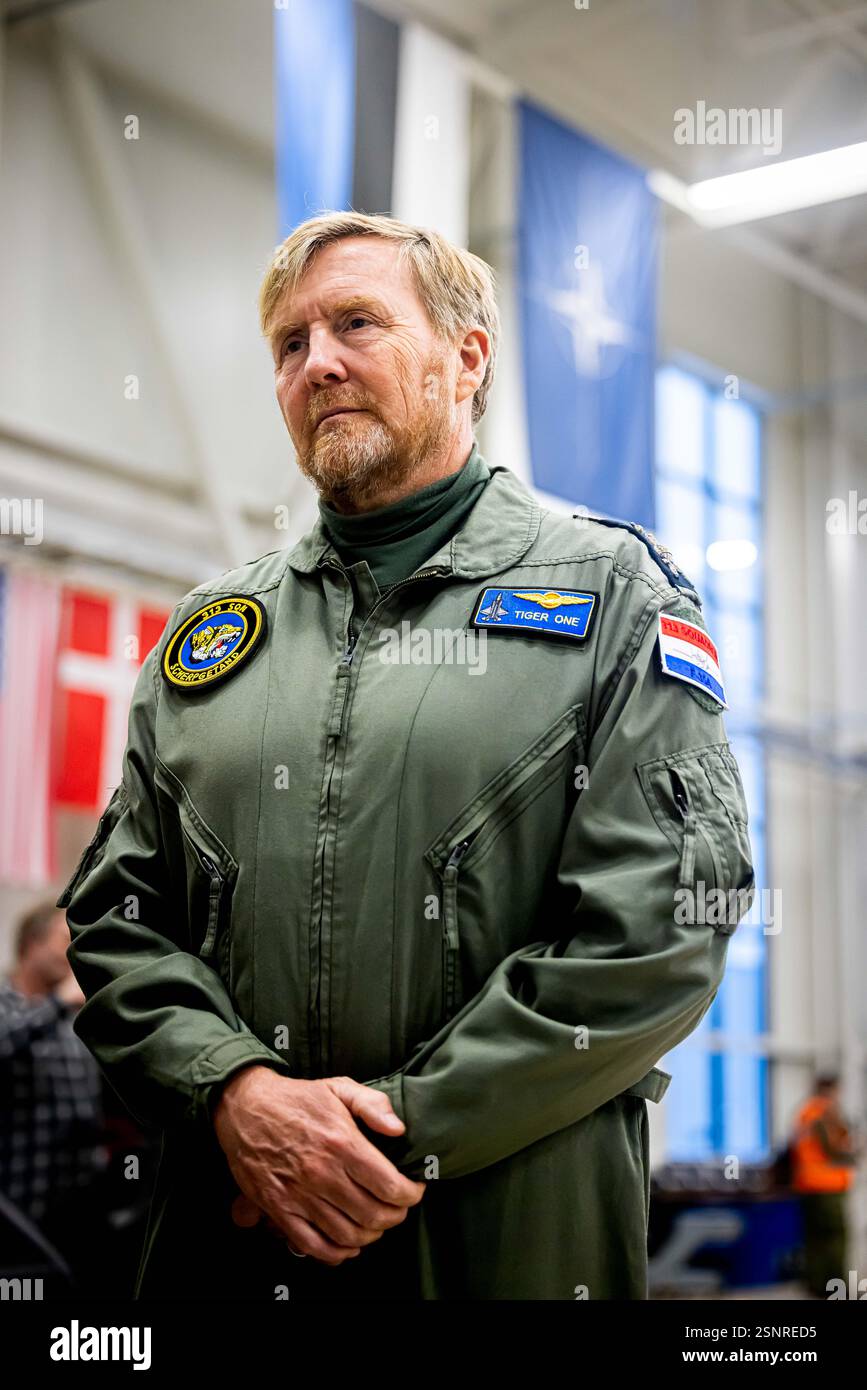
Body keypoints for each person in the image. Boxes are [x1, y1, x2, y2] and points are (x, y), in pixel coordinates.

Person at [58, 211, 755, 1301]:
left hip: (506, 1248)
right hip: (226, 1242)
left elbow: (664, 921)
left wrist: (380, 1138)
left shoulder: (614, 600)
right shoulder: (211, 639)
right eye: (290, 344)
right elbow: (115, 919)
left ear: (466, 359)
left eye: (356, 323)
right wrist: (235, 1092)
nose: (317, 363)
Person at [0, 902, 104, 1285]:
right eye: (64, 939)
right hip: (20, 1196)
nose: (74, 950)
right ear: (33, 944)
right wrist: (57, 1003)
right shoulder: (9, 1004)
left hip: (78, 1199)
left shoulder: (73, 1013)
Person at [792, 1073, 860, 1297]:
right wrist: (854, 1154)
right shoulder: (823, 1114)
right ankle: (836, 1289)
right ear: (831, 1090)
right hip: (828, 1186)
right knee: (835, 1238)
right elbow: (832, 1150)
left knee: (815, 1239)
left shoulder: (805, 1112)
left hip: (808, 1185)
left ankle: (817, 1286)